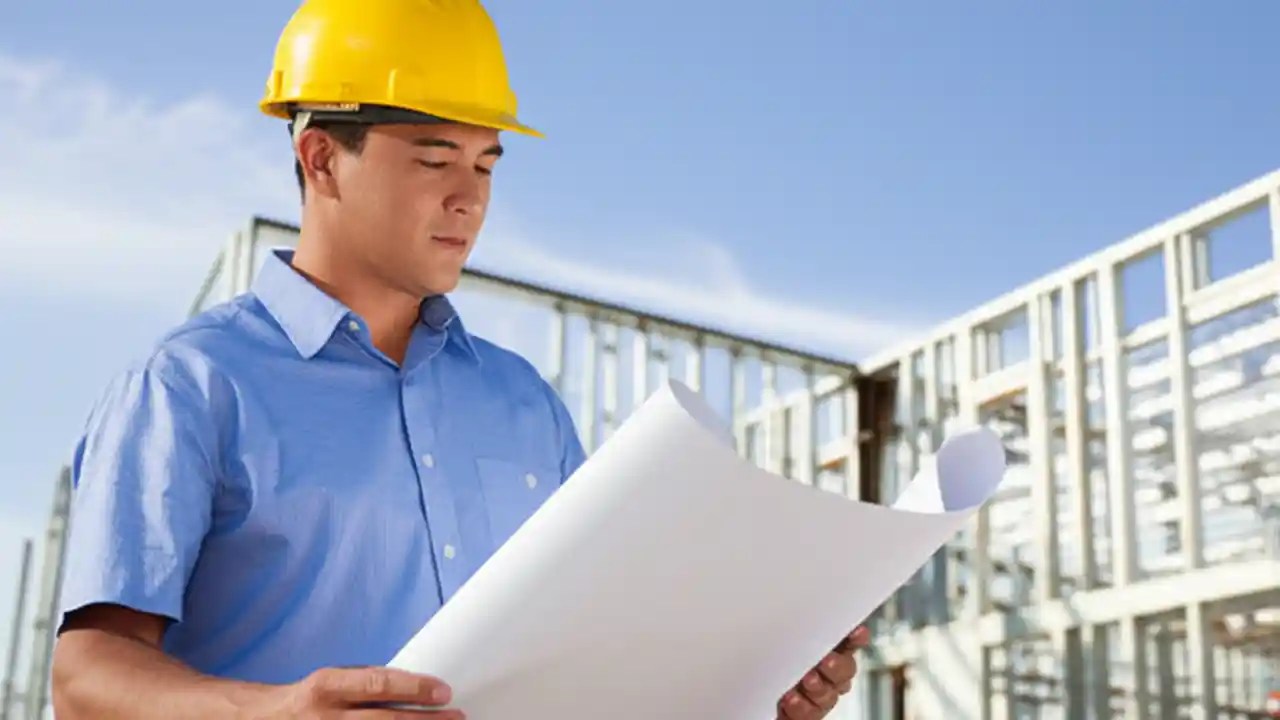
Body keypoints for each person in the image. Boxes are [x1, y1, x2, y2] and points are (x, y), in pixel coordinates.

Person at [48, 1, 869, 718]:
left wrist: (752, 691)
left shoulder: (524, 404)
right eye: (435, 159)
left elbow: (596, 665)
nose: (469, 198)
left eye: (485, 164)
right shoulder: (190, 386)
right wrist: (278, 714)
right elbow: (86, 681)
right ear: (322, 159)